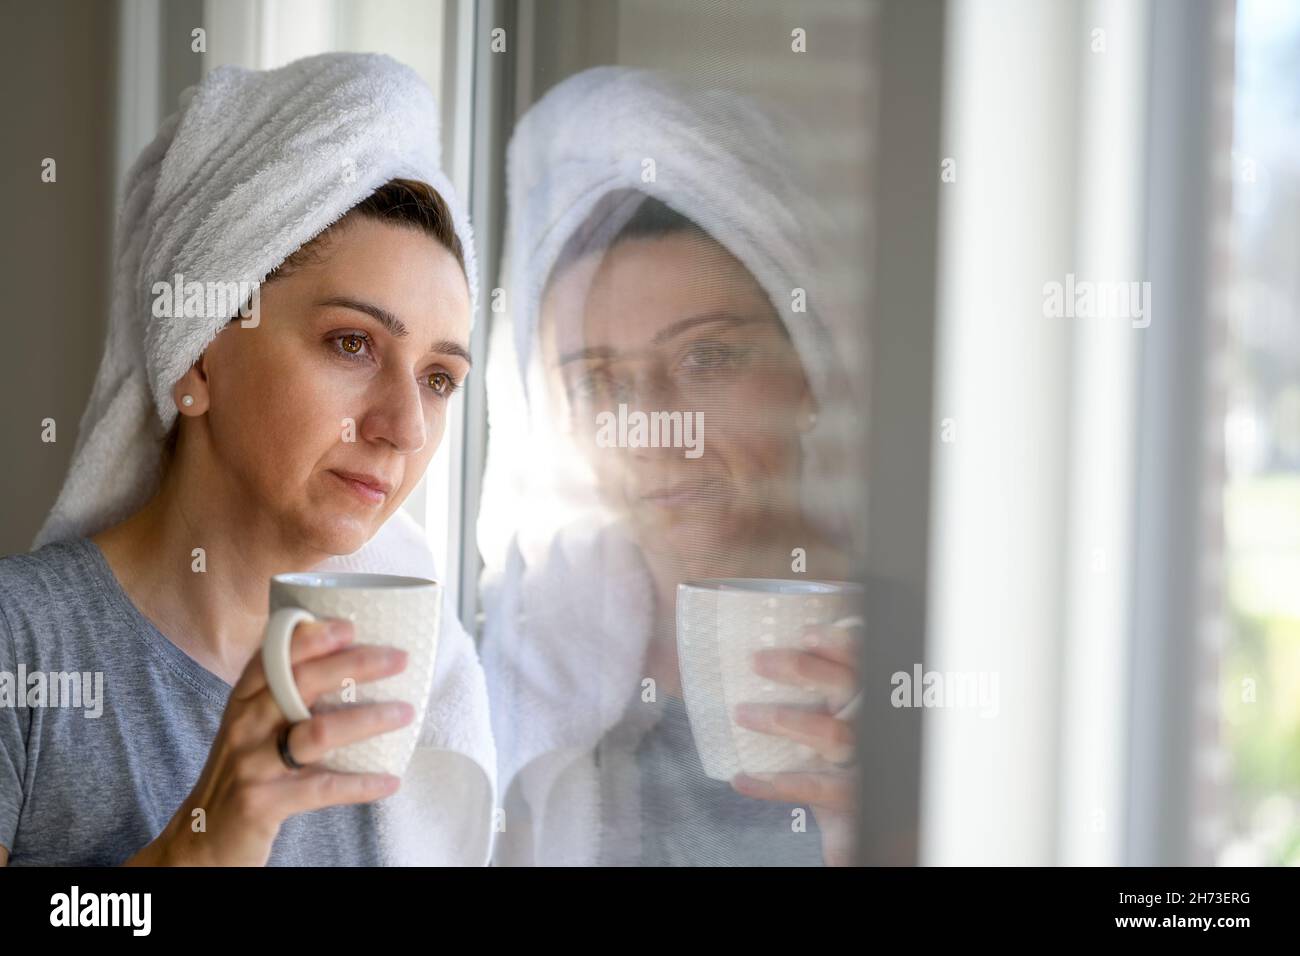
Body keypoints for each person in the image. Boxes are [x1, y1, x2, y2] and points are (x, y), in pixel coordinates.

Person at [0, 53, 494, 866]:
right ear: (197, 359)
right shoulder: (24, 647)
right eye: (352, 343)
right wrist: (196, 847)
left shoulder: (413, 693)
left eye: (439, 378)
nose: (406, 427)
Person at [479, 68, 867, 866]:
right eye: (599, 382)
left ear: (807, 369)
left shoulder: (933, 670)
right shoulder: (507, 676)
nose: (656, 428)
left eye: (706, 358)